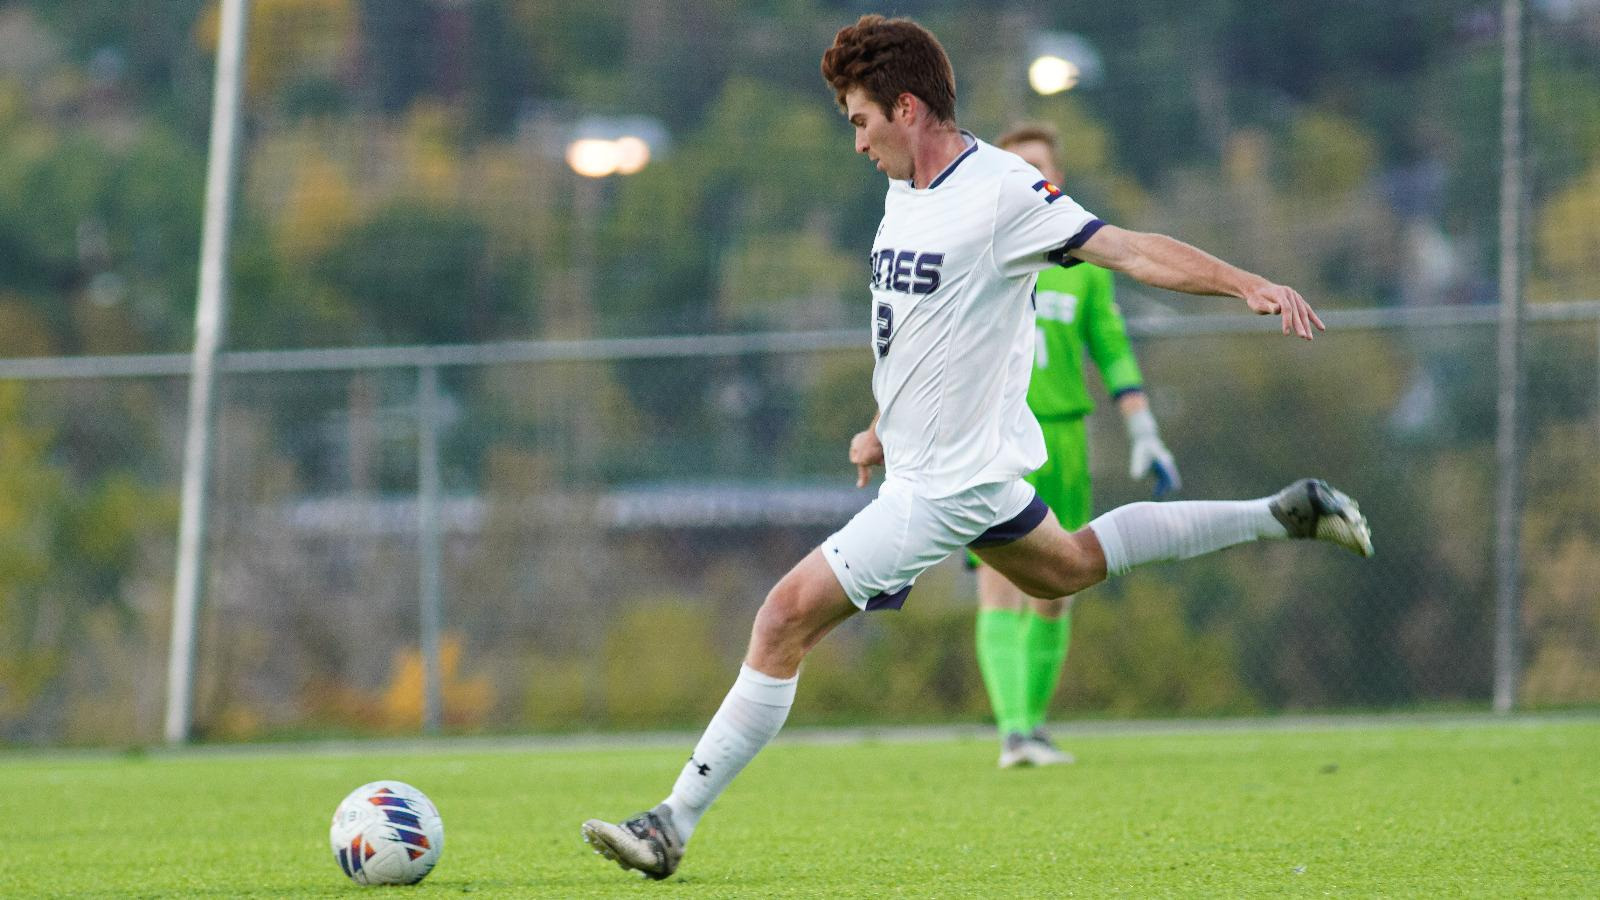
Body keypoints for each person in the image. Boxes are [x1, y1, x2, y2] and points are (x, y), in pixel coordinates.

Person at [582, 14, 1371, 881]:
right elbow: (921, 330)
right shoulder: (903, 192)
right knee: (1068, 565)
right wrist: (883, 425)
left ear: (907, 107)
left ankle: (671, 823)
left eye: (859, 120)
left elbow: (1128, 248)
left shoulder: (1001, 192)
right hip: (950, 472)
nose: (856, 143)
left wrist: (1245, 282)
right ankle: (1282, 514)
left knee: (781, 619)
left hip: (943, 489)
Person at [974, 122, 1179, 769]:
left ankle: (1033, 727)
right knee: (998, 584)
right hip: (999, 440)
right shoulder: (980, 253)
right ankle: (1012, 734)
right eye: (1016, 167)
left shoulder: (1083, 266)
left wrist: (1143, 428)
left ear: (1054, 179)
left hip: (1064, 439)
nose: (1028, 178)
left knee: (1057, 590)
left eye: (1039, 168)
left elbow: (1112, 346)